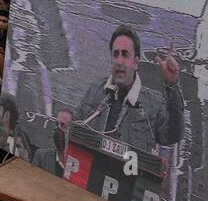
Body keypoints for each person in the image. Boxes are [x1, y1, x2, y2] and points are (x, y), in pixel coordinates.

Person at [70, 25, 184, 156]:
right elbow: (73, 128)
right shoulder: (95, 91)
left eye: (125, 55)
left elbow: (173, 135)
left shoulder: (153, 103)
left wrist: (172, 85)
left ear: (136, 62)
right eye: (115, 54)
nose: (119, 61)